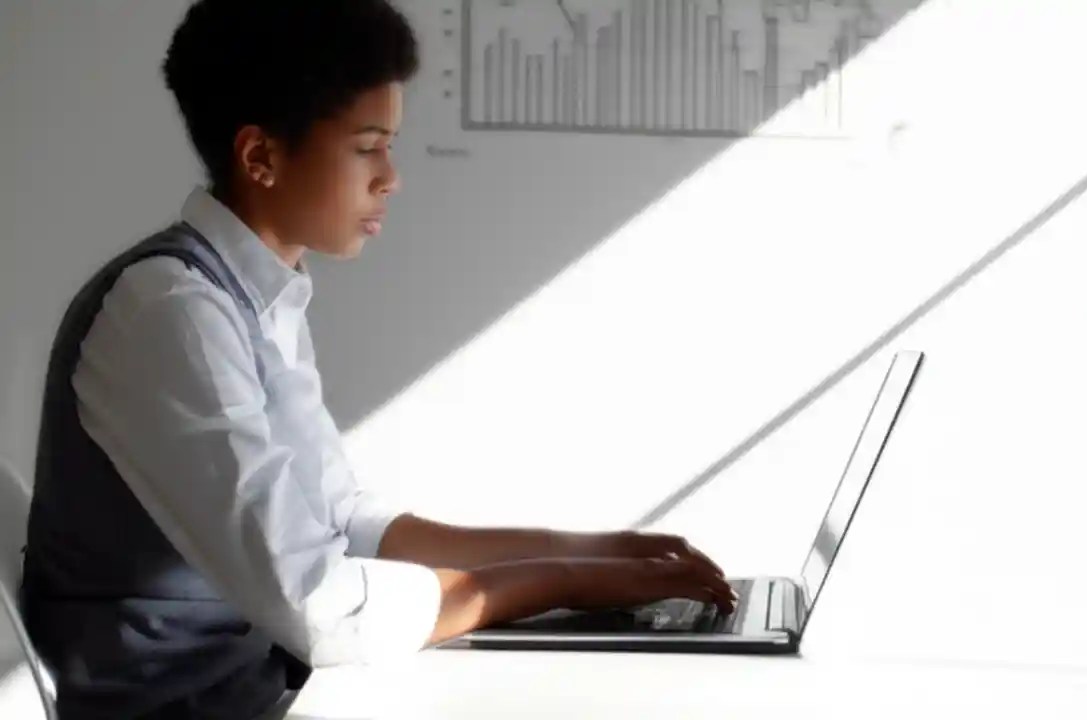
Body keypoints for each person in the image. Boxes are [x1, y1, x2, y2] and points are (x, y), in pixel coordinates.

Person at [18, 1, 735, 717]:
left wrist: (591, 554)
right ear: (260, 157)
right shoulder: (171, 313)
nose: (391, 177)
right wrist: (563, 584)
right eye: (367, 147)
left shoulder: (255, 297)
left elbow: (347, 525)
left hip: (259, 688)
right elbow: (319, 605)